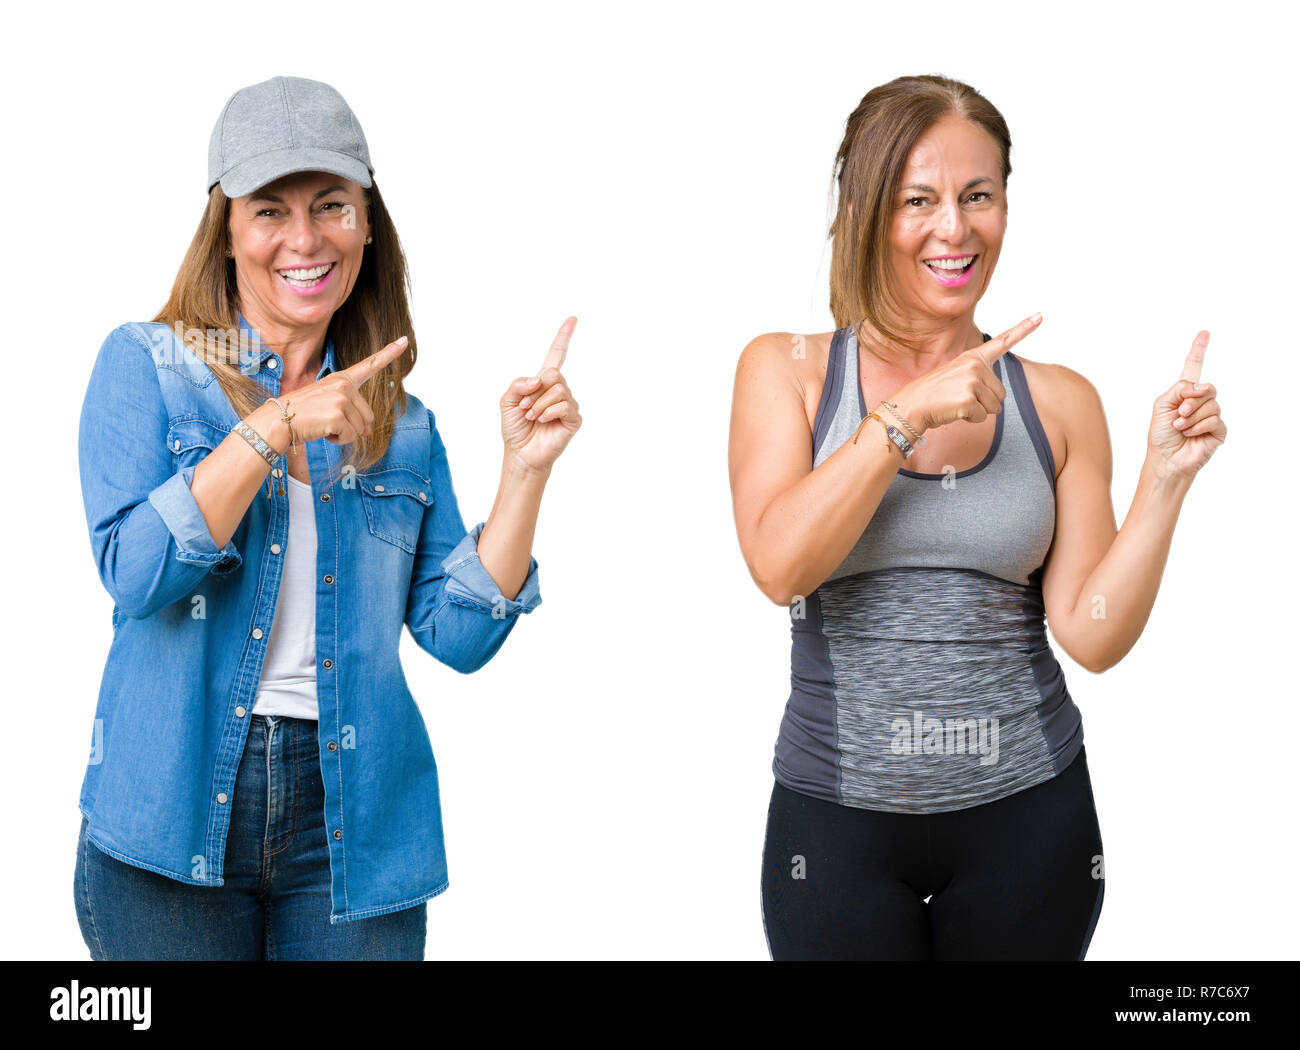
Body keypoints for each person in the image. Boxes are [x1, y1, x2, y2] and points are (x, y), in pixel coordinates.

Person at [73, 76, 582, 960]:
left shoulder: (403, 424)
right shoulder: (149, 365)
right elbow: (136, 572)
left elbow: (458, 636)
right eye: (269, 210)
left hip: (353, 827)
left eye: (331, 206)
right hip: (174, 811)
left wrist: (524, 474)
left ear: (368, 222)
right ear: (225, 230)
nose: (304, 240)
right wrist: (273, 426)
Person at [728, 74, 1226, 960]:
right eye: (918, 200)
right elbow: (779, 566)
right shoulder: (791, 370)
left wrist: (1165, 480)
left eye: (978, 196)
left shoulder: (1062, 402)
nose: (953, 228)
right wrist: (905, 417)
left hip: (1032, 823)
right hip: (835, 823)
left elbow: (1094, 634)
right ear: (866, 208)